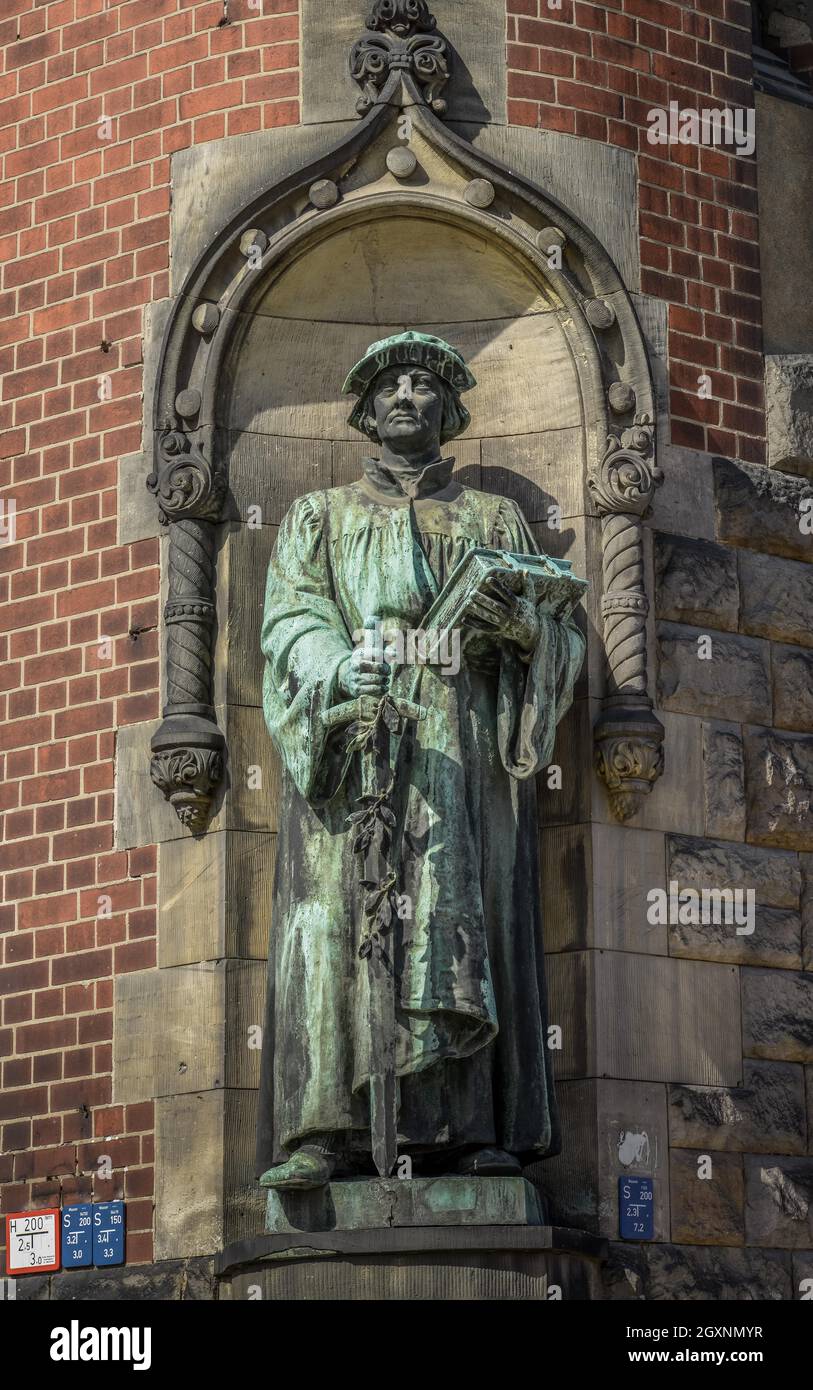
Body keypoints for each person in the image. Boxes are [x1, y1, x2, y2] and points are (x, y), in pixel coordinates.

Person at [256, 331, 585, 1190]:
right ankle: (324, 1132)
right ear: (366, 411)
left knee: (456, 920)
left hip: (461, 746)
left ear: (450, 409)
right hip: (352, 739)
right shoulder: (317, 516)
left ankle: (469, 1130)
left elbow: (554, 631)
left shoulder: (492, 519)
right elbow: (288, 623)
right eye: (391, 385)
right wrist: (335, 666)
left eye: (426, 384)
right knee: (331, 922)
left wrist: (521, 630)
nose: (408, 394)